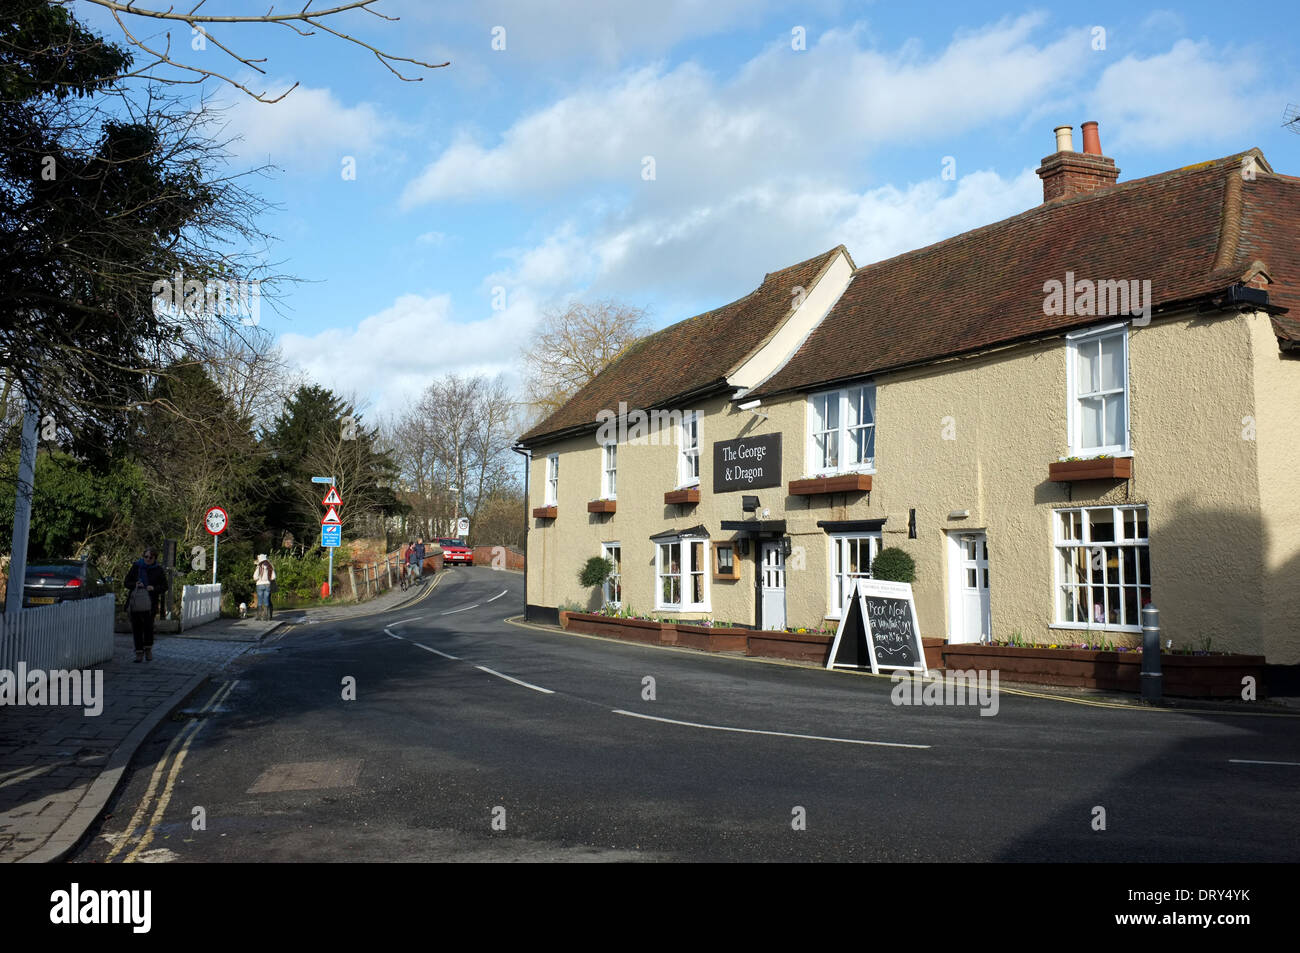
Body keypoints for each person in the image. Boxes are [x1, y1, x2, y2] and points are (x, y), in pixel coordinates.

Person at [124, 548, 168, 663]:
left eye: (150, 557)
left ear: (154, 558)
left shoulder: (158, 570)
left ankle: (148, 649)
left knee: (148, 628)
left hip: (150, 603)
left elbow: (164, 586)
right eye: (146, 557)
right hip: (136, 602)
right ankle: (139, 652)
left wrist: (153, 588)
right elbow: (126, 582)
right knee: (136, 628)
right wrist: (135, 584)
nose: (148, 559)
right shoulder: (136, 567)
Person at [253, 554, 276, 620]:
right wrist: (269, 579)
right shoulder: (269, 566)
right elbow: (274, 577)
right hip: (267, 584)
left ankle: (259, 616)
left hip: (259, 585)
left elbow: (255, 577)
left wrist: (258, 579)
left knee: (260, 600)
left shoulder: (259, 567)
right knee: (266, 600)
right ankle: (267, 616)